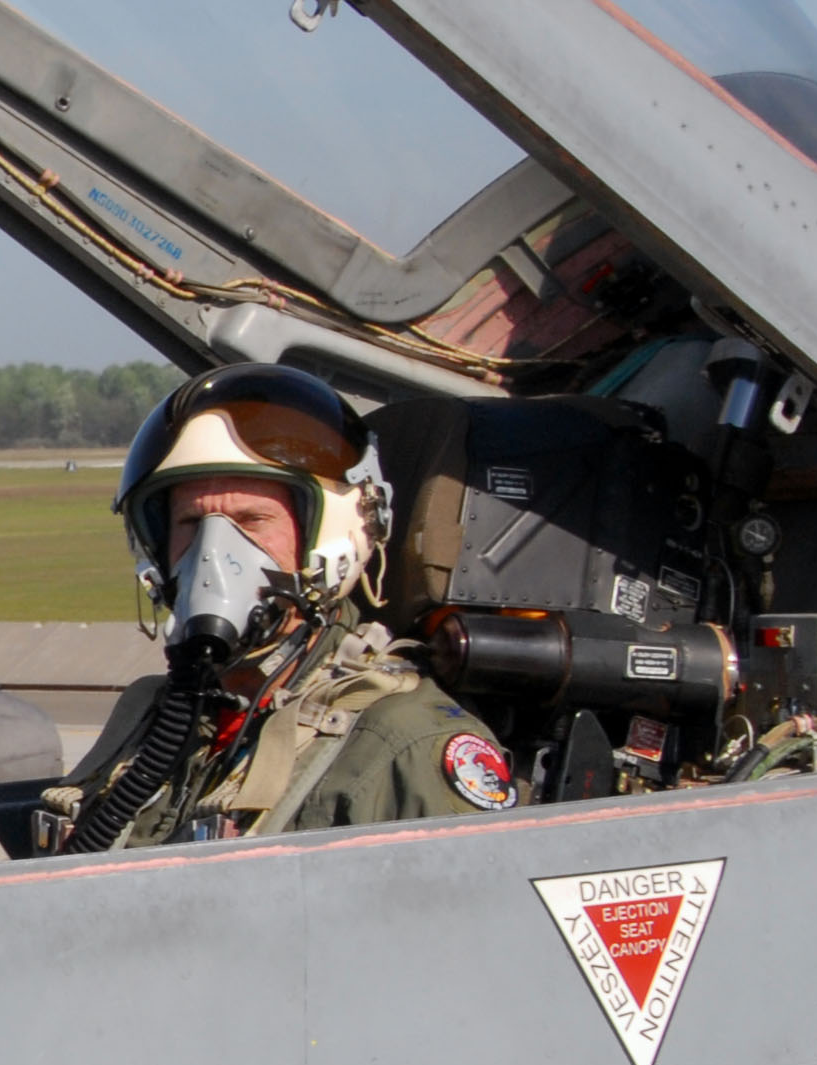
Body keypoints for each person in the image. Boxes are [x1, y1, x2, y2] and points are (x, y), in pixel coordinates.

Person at [51, 364, 514, 849]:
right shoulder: (158, 720)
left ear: (335, 535)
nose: (212, 555)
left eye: (251, 521)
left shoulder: (406, 745)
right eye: (190, 522)